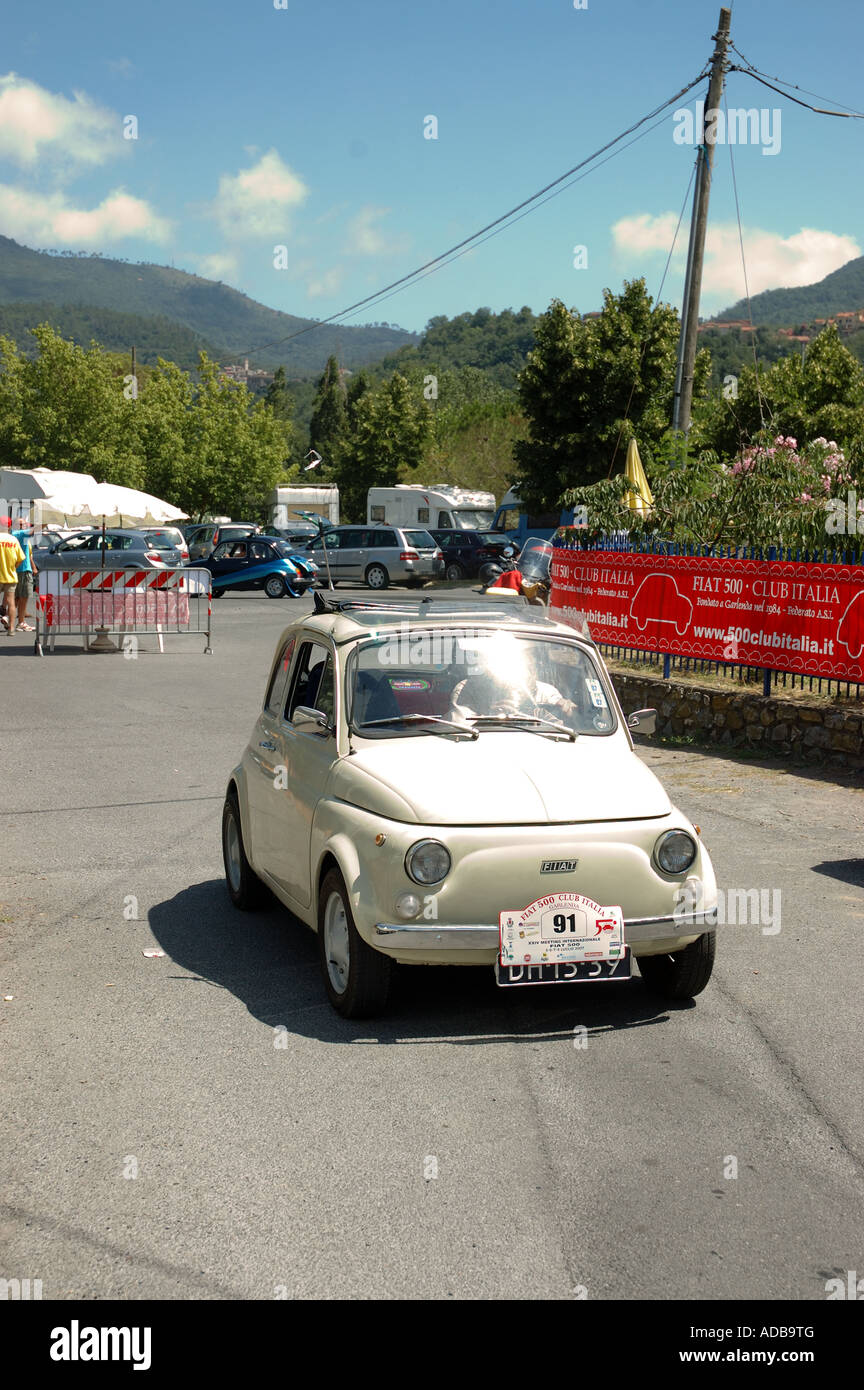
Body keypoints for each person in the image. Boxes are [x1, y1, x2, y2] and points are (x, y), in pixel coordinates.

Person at [0, 522, 25, 636]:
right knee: (11, 603)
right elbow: (21, 558)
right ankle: (11, 628)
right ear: (9, 527)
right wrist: (13, 568)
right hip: (10, 576)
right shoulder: (13, 540)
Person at [12, 518, 37, 632]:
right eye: (20, 524)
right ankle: (20, 622)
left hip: (20, 569)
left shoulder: (20, 536)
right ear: (15, 525)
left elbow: (29, 554)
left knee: (17, 597)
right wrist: (47, 519)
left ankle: (9, 619)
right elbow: (34, 530)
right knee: (24, 597)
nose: (23, 526)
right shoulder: (19, 534)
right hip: (22, 570)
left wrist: (34, 567)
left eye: (24, 524)